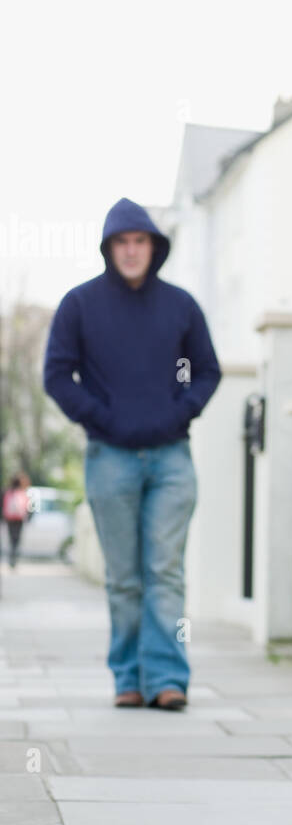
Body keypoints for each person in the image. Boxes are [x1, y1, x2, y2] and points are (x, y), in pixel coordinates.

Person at [42, 198, 221, 710]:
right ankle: (127, 676)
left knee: (164, 570)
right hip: (110, 458)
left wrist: (178, 413)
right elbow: (57, 374)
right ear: (108, 249)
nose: (131, 250)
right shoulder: (79, 304)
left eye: (140, 240)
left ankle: (166, 680)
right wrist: (102, 417)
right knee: (123, 577)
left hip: (170, 459)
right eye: (121, 242)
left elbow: (206, 371)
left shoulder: (181, 306)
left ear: (154, 247)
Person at [2, 473, 31, 569]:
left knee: (11, 538)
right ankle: (14, 558)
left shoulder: (7, 492)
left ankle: (12, 556)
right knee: (17, 539)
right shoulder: (23, 492)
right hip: (19, 518)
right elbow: (28, 507)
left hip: (9, 518)